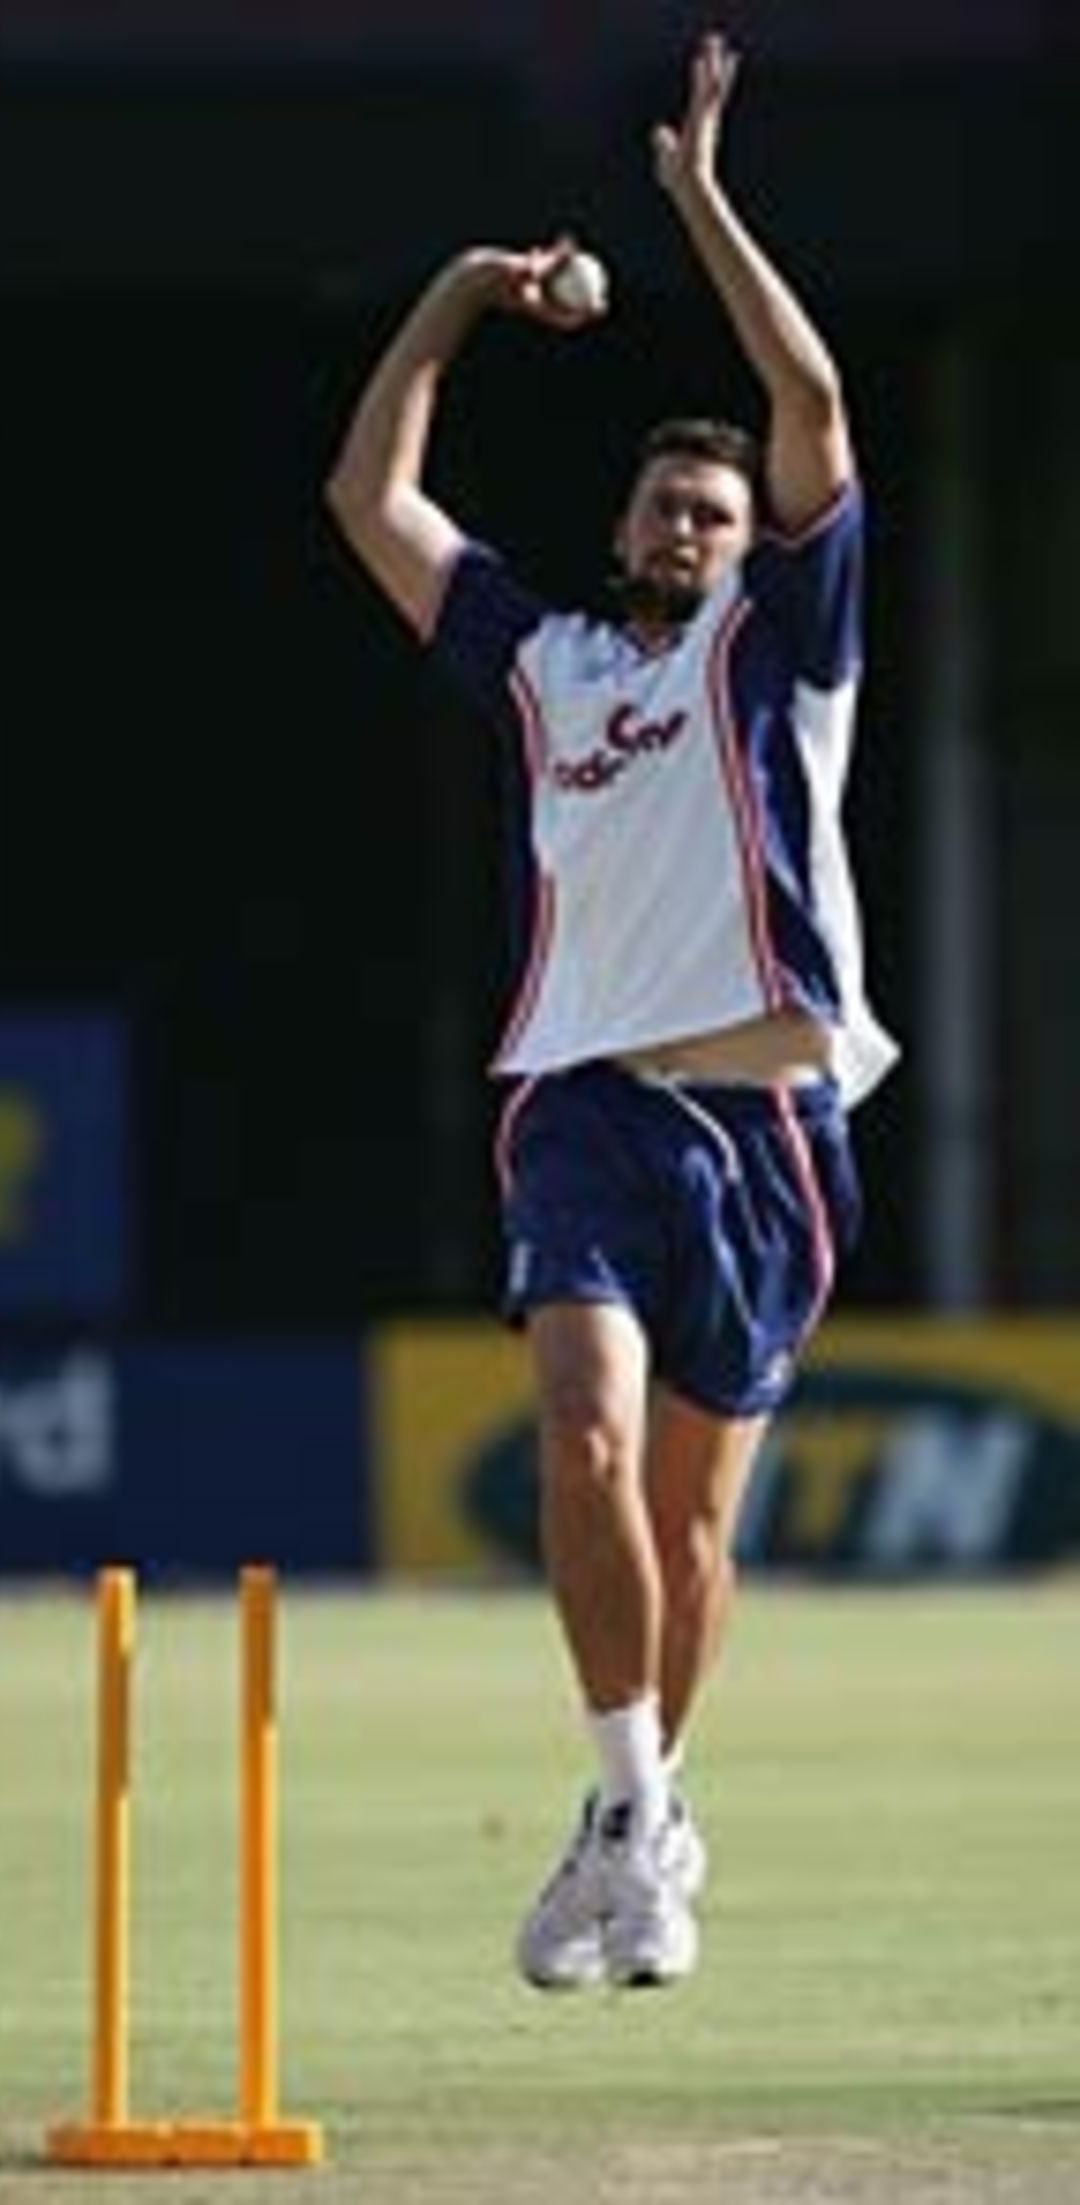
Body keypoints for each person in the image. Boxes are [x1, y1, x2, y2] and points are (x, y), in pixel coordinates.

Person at [325, 29, 897, 1991]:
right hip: (578, 1099)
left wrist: (699, 206)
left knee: (694, 1519)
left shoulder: (783, 646)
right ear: (624, 524)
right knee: (578, 1433)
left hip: (769, 1127)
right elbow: (367, 492)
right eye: (661, 503)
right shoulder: (549, 657)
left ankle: (627, 1814)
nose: (680, 524)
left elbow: (807, 395)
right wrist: (464, 296)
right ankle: (640, 1813)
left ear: (749, 555)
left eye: (708, 513)